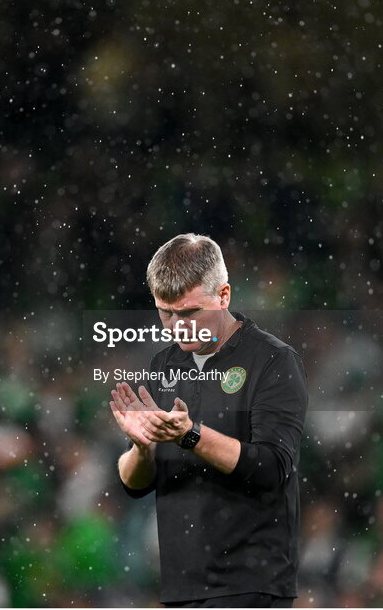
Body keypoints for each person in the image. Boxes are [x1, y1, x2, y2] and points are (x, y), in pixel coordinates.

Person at [110, 233, 308, 607]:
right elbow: (136, 484)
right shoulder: (164, 364)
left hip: (250, 585)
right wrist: (141, 448)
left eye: (189, 312)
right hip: (181, 588)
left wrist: (191, 436)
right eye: (165, 313)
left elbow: (273, 466)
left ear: (224, 296)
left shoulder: (272, 361)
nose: (177, 326)